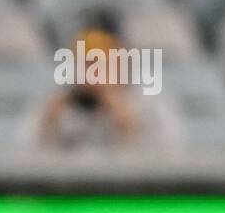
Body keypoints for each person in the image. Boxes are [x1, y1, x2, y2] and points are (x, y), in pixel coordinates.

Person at [23, 23, 184, 151]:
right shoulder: (56, 105)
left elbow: (170, 161)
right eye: (86, 63)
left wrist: (127, 129)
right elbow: (25, 160)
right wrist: (48, 126)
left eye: (102, 63)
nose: (92, 72)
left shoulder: (149, 104)